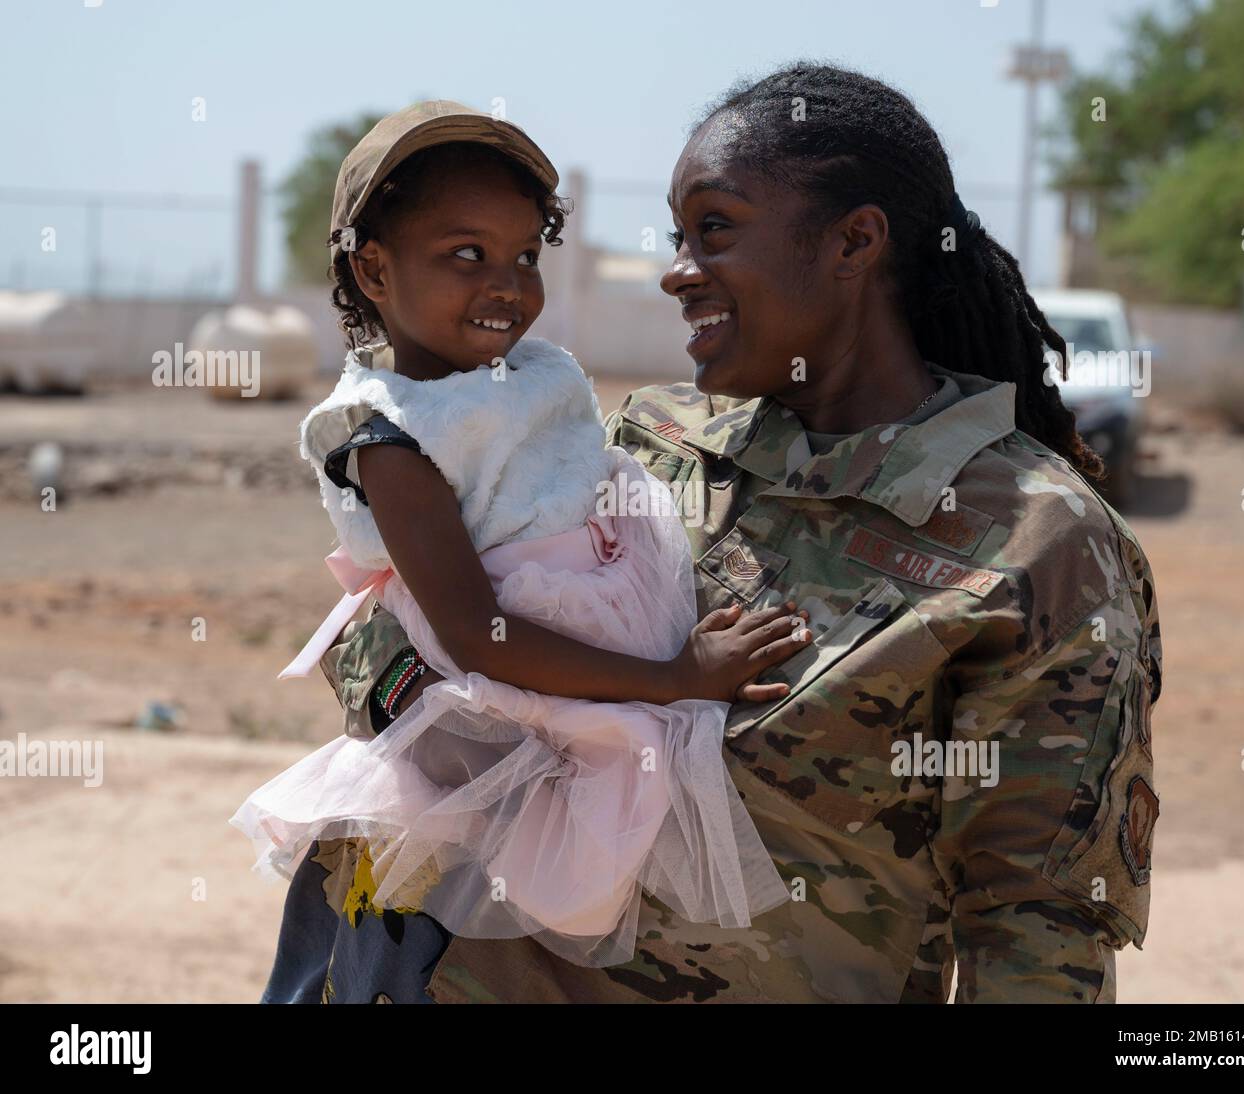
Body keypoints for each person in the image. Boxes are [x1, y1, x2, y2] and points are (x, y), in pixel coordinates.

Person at [289, 63, 1164, 1004]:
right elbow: (400, 637)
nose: (674, 269)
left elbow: (1037, 927)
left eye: (714, 228)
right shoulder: (639, 443)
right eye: (677, 235)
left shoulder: (1035, 545)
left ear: (853, 242)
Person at [231, 100, 815, 985]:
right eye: (467, 254)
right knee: (445, 895)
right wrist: (673, 680)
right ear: (375, 268)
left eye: (524, 256)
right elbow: (475, 635)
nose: (507, 283)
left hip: (577, 640)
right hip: (497, 686)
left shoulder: (536, 374)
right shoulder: (388, 434)